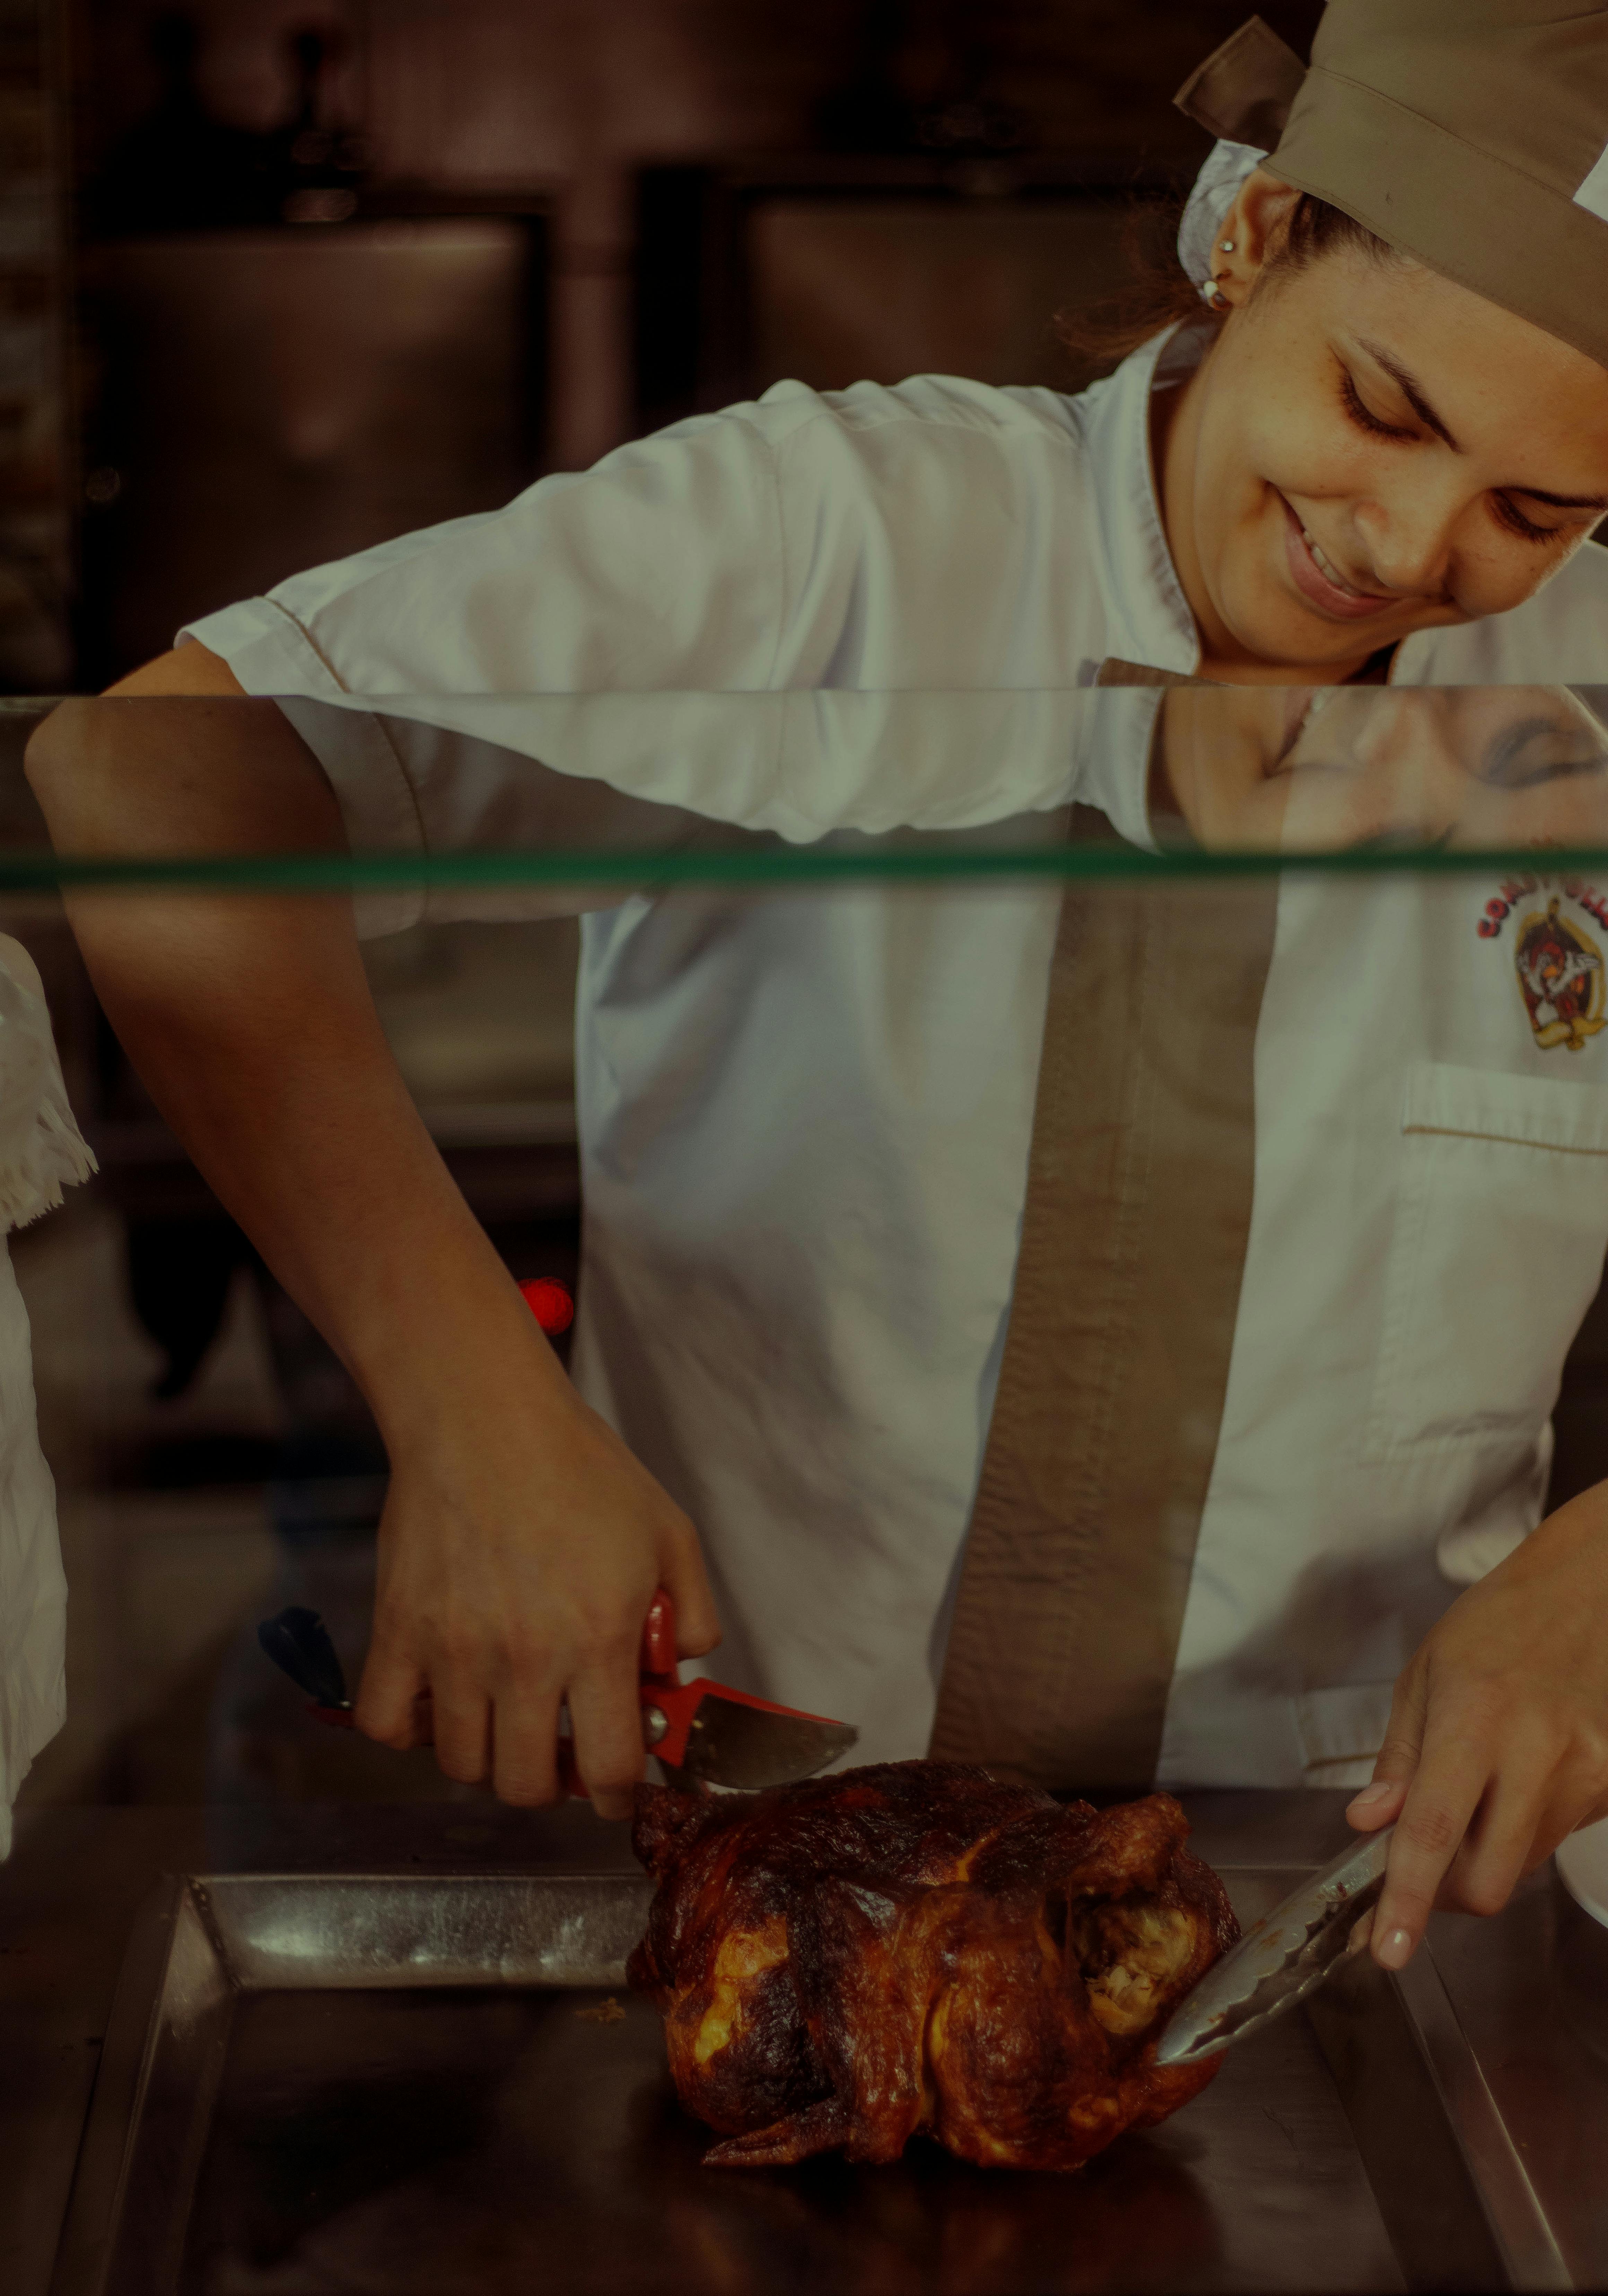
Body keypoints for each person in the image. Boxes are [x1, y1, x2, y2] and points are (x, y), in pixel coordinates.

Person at [25, 0, 1608, 1975]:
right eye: (1384, 409)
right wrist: (470, 1409)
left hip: (1336, 1923)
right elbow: (154, 771)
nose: (1408, 547)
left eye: (1538, 515)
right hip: (748, 1872)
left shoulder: (1588, 696)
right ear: (1262, 235)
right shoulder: (840, 537)